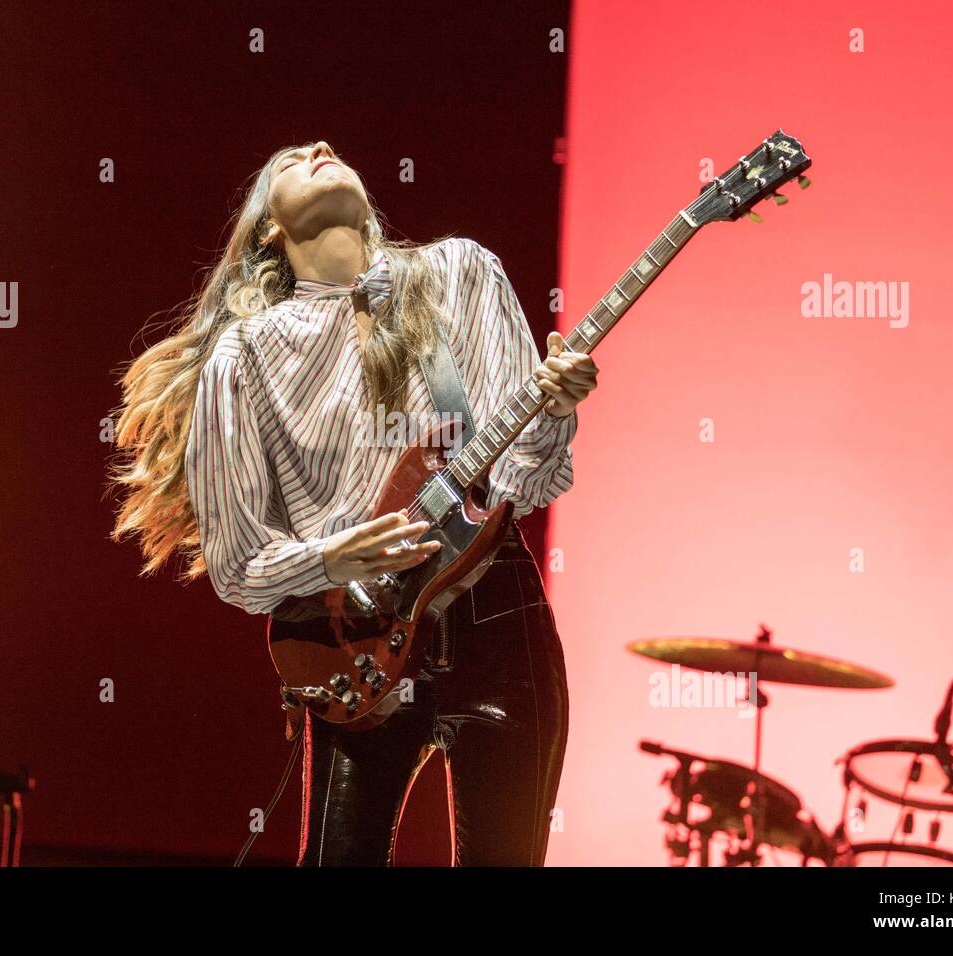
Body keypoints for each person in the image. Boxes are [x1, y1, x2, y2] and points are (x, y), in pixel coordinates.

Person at [110, 141, 598, 865]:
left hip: (497, 619)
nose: (318, 147)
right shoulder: (241, 359)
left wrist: (555, 410)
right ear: (267, 229)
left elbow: (525, 479)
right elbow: (239, 565)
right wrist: (329, 557)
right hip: (351, 638)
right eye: (289, 160)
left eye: (329, 149)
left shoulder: (459, 273)